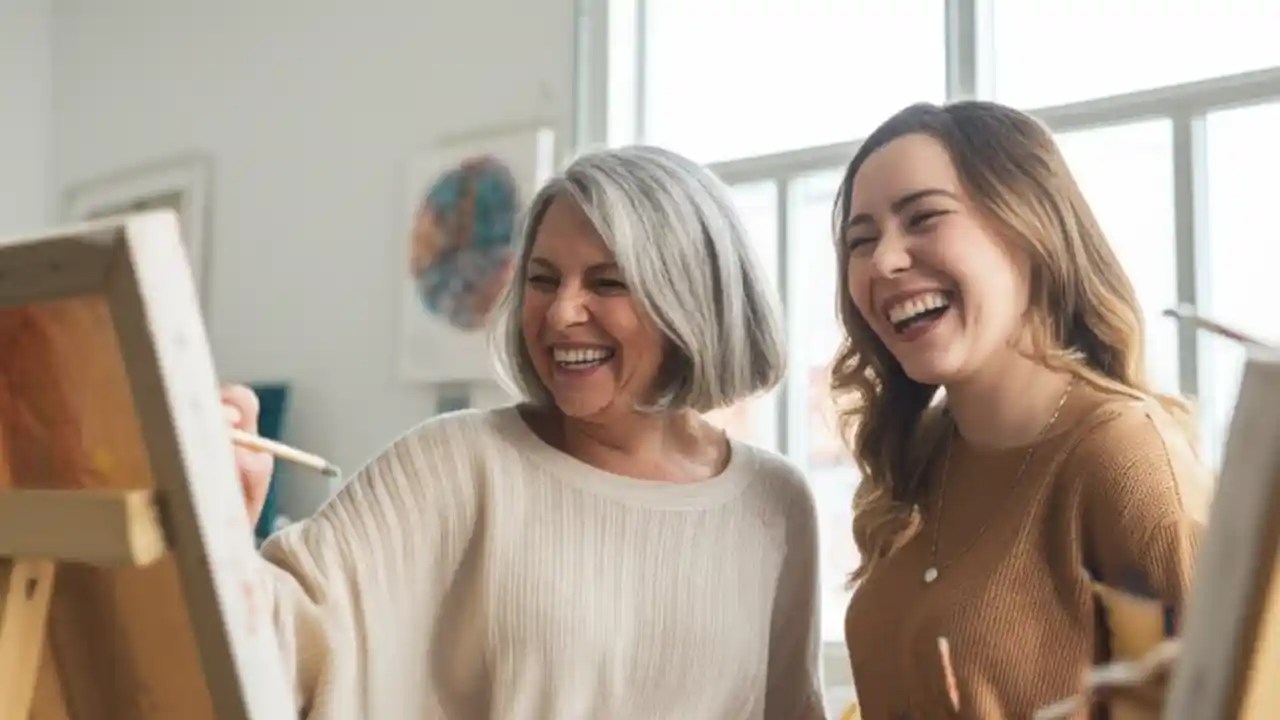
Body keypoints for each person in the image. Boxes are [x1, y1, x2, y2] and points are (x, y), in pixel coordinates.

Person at [224, 145, 826, 719]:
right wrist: (222, 522)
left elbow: (793, 709)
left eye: (607, 282)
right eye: (543, 280)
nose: (562, 313)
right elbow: (281, 635)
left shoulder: (775, 502)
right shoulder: (454, 464)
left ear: (694, 300)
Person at [829, 101, 1210, 718]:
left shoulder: (1123, 457)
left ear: (1030, 229)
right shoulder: (919, 460)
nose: (884, 261)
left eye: (924, 217)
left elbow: (1228, 698)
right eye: (861, 241)